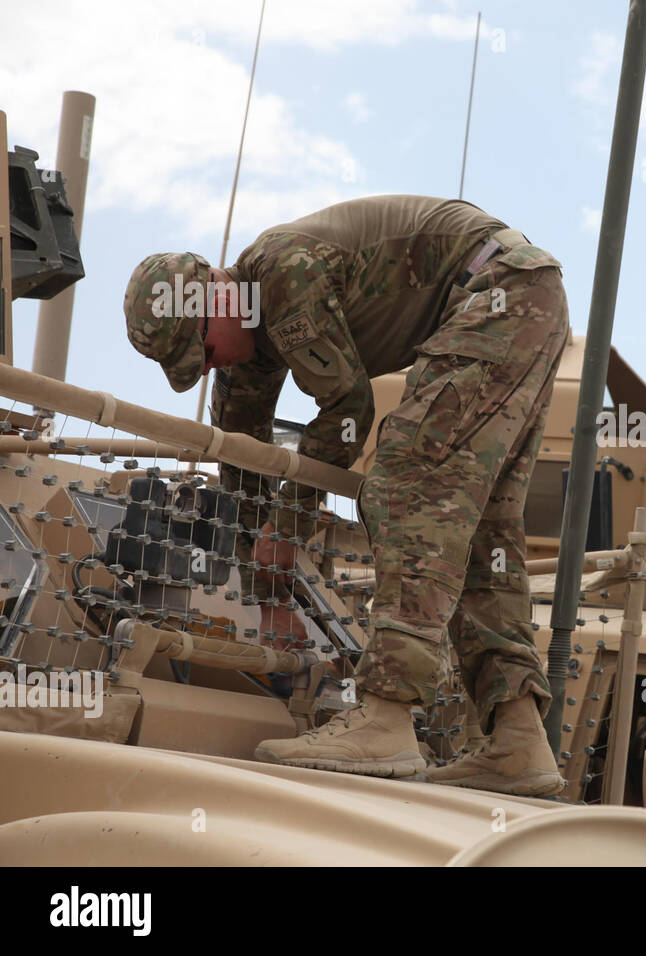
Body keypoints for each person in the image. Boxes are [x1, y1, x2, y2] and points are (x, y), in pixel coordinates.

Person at [123, 195, 569, 795]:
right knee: (480, 526)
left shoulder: (281, 274)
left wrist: (288, 530)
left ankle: (384, 714)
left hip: (500, 294)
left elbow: (349, 410)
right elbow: (241, 463)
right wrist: (267, 595)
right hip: (522, 299)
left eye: (201, 351)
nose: (208, 368)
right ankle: (518, 736)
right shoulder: (244, 348)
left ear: (216, 299)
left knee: (409, 481)